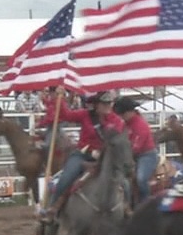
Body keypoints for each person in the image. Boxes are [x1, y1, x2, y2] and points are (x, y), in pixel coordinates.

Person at [39, 92, 125, 222]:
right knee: (66, 178)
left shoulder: (116, 121)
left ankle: (127, 209)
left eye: (109, 103)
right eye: (104, 103)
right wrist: (59, 98)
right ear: (96, 105)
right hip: (82, 156)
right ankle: (52, 208)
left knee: (125, 183)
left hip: (106, 159)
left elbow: (116, 140)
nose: (107, 106)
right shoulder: (85, 115)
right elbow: (66, 115)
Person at [115, 96, 158, 206]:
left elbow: (136, 147)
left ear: (130, 112)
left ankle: (146, 204)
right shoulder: (125, 124)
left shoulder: (140, 124)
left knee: (141, 179)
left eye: (122, 114)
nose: (121, 116)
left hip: (146, 155)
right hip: (132, 156)